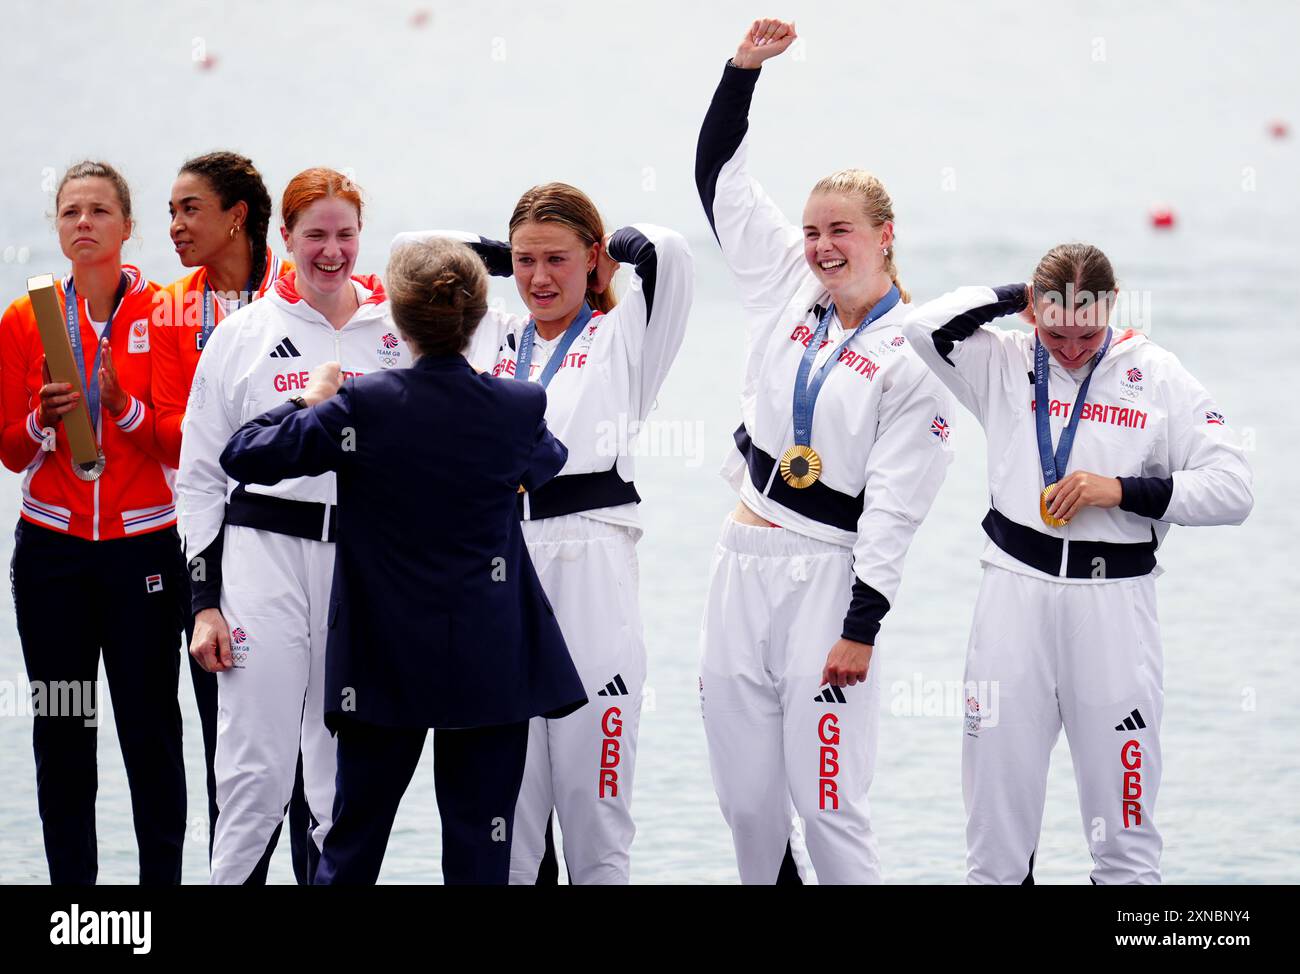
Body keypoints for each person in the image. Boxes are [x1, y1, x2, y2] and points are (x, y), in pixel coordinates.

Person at [220, 237, 586, 884]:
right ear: (476, 321)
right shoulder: (517, 405)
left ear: (395, 318)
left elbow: (244, 456)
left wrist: (309, 398)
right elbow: (546, 462)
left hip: (381, 659)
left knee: (353, 843)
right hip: (487, 656)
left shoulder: (362, 407)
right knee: (481, 851)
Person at [694, 19, 955, 884]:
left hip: (830, 580)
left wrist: (862, 626)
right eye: (812, 231)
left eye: (840, 230)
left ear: (886, 235)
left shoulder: (913, 353)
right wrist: (743, 72)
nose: (822, 246)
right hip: (742, 560)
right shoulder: (786, 287)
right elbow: (718, 177)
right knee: (745, 806)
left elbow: (898, 509)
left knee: (829, 804)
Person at [902, 244, 1253, 884]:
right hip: (1014, 595)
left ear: (1112, 308)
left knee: (1125, 837)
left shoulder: (1157, 374)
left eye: (1087, 333)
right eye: (1055, 331)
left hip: (1114, 608)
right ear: (1034, 315)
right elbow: (919, 327)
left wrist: (1118, 490)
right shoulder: (1003, 361)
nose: (1068, 349)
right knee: (994, 843)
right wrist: (1018, 297)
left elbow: (1234, 490)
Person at [392, 184, 693, 884]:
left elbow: (669, 253)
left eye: (556, 260)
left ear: (592, 259)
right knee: (510, 827)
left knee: (595, 816)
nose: (537, 278)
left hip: (590, 564)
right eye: (524, 261)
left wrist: (602, 255)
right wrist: (497, 258)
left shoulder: (625, 337)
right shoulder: (492, 333)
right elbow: (408, 257)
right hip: (498, 568)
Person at [176, 167, 410, 884]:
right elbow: (200, 479)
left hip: (363, 568)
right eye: (315, 235)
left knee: (338, 775)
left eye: (345, 234)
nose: (331, 251)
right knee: (255, 770)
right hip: (264, 560)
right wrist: (203, 604)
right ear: (285, 238)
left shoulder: (399, 331)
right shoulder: (241, 336)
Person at [0, 160, 186, 884]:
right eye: (71, 211)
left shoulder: (166, 312)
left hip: (142, 547)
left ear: (126, 227)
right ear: (58, 226)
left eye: (100, 211)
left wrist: (122, 408)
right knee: (63, 730)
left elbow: (180, 438)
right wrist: (40, 424)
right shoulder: (25, 317)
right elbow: (10, 453)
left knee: (150, 732)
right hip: (53, 555)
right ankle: (73, 903)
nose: (84, 222)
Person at [151, 150, 310, 882]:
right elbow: (171, 435)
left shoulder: (310, 290)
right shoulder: (168, 310)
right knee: (238, 758)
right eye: (172, 210)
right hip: (201, 549)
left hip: (309, 557)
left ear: (238, 217)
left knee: (320, 765)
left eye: (190, 209)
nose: (175, 225)